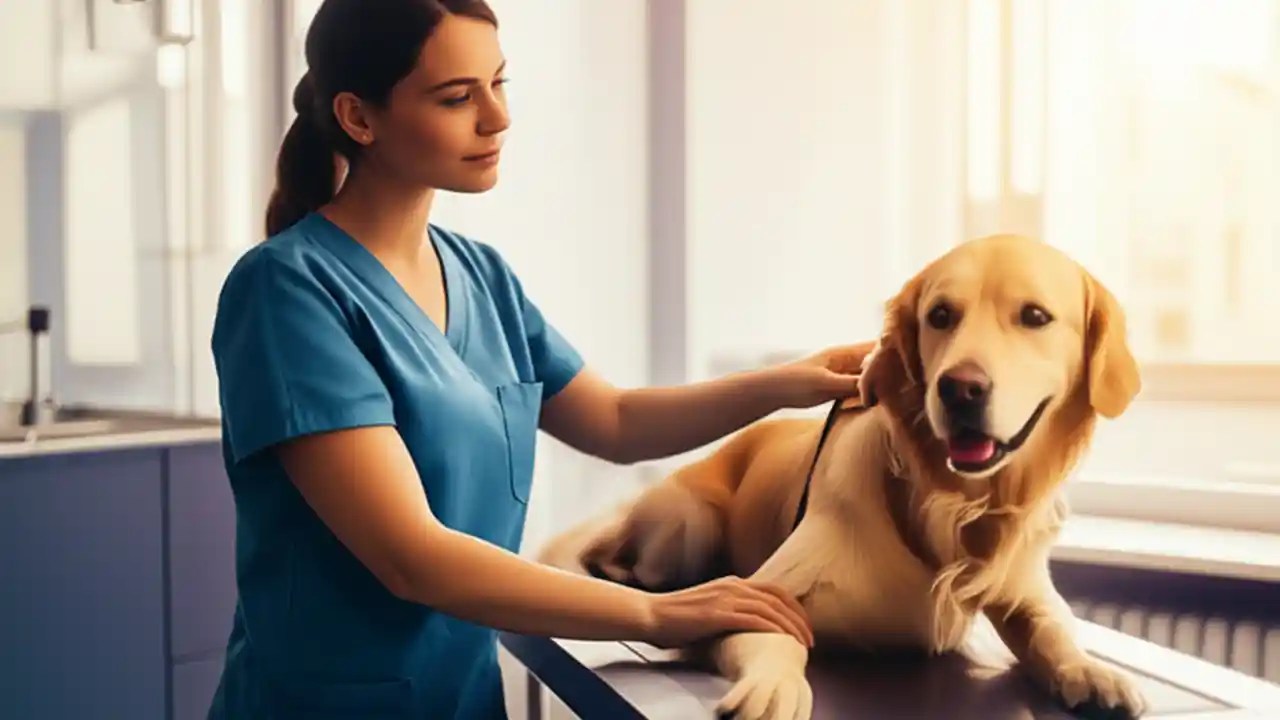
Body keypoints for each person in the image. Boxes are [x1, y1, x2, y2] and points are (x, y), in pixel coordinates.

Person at [206, 1, 873, 717]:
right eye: (457, 97)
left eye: (499, 84)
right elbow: (411, 556)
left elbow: (614, 421)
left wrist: (787, 383)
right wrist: (658, 614)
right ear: (359, 118)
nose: (497, 118)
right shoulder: (287, 291)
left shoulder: (481, 276)